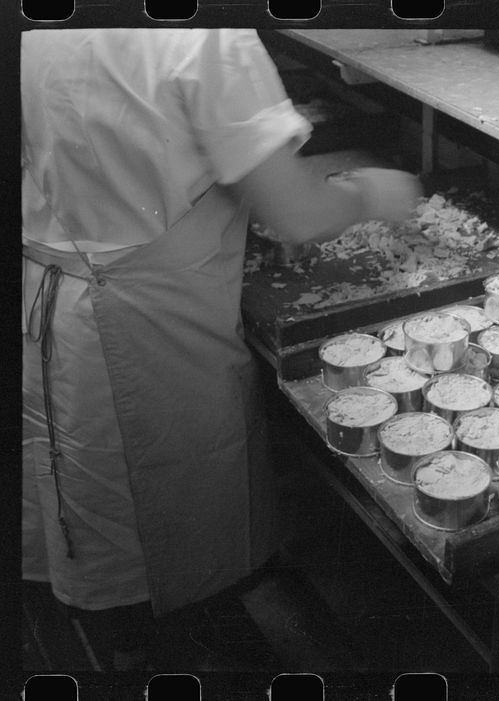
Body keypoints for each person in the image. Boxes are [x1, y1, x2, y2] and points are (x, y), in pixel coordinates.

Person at [21, 28, 422, 670]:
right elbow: (296, 214)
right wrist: (376, 191)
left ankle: (127, 641)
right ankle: (179, 652)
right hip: (148, 328)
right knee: (164, 533)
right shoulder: (211, 39)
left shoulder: (43, 31)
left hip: (55, 290)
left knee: (91, 506)